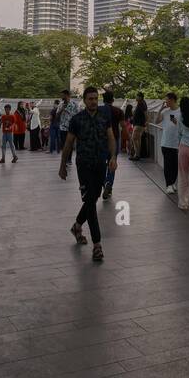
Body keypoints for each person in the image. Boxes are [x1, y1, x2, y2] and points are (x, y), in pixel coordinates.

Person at [59, 86, 115, 262]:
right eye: (90, 99)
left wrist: (113, 157)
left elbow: (111, 138)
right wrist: (62, 165)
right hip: (83, 165)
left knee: (93, 198)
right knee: (90, 202)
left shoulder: (104, 118)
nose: (93, 102)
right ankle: (97, 245)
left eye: (95, 99)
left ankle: (77, 226)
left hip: (100, 164)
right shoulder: (77, 120)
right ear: (84, 100)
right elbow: (68, 144)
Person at [100, 90, 124, 201]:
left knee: (101, 164)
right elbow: (123, 126)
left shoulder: (99, 110)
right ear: (113, 100)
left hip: (102, 140)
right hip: (115, 140)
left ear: (103, 100)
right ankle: (109, 183)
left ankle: (105, 183)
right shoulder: (118, 111)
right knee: (112, 163)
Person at [159, 91, 181, 194]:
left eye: (167, 100)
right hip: (165, 142)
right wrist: (161, 109)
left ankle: (172, 183)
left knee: (175, 165)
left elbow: (182, 126)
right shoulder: (165, 112)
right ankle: (168, 184)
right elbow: (156, 121)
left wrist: (176, 122)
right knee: (167, 165)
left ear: (172, 100)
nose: (165, 102)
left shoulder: (181, 112)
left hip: (176, 143)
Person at [58, 88, 81, 164]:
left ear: (67, 95)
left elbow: (78, 115)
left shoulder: (74, 104)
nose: (61, 96)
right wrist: (61, 109)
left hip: (71, 128)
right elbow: (56, 115)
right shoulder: (61, 104)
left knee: (70, 144)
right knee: (64, 144)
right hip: (62, 127)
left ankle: (69, 159)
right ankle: (65, 158)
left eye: (63, 95)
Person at [130, 94, 148, 160]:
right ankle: (137, 154)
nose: (136, 97)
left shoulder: (142, 104)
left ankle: (137, 154)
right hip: (138, 124)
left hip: (139, 124)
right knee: (138, 139)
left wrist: (146, 122)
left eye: (137, 96)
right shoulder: (140, 103)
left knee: (134, 138)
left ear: (140, 97)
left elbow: (145, 113)